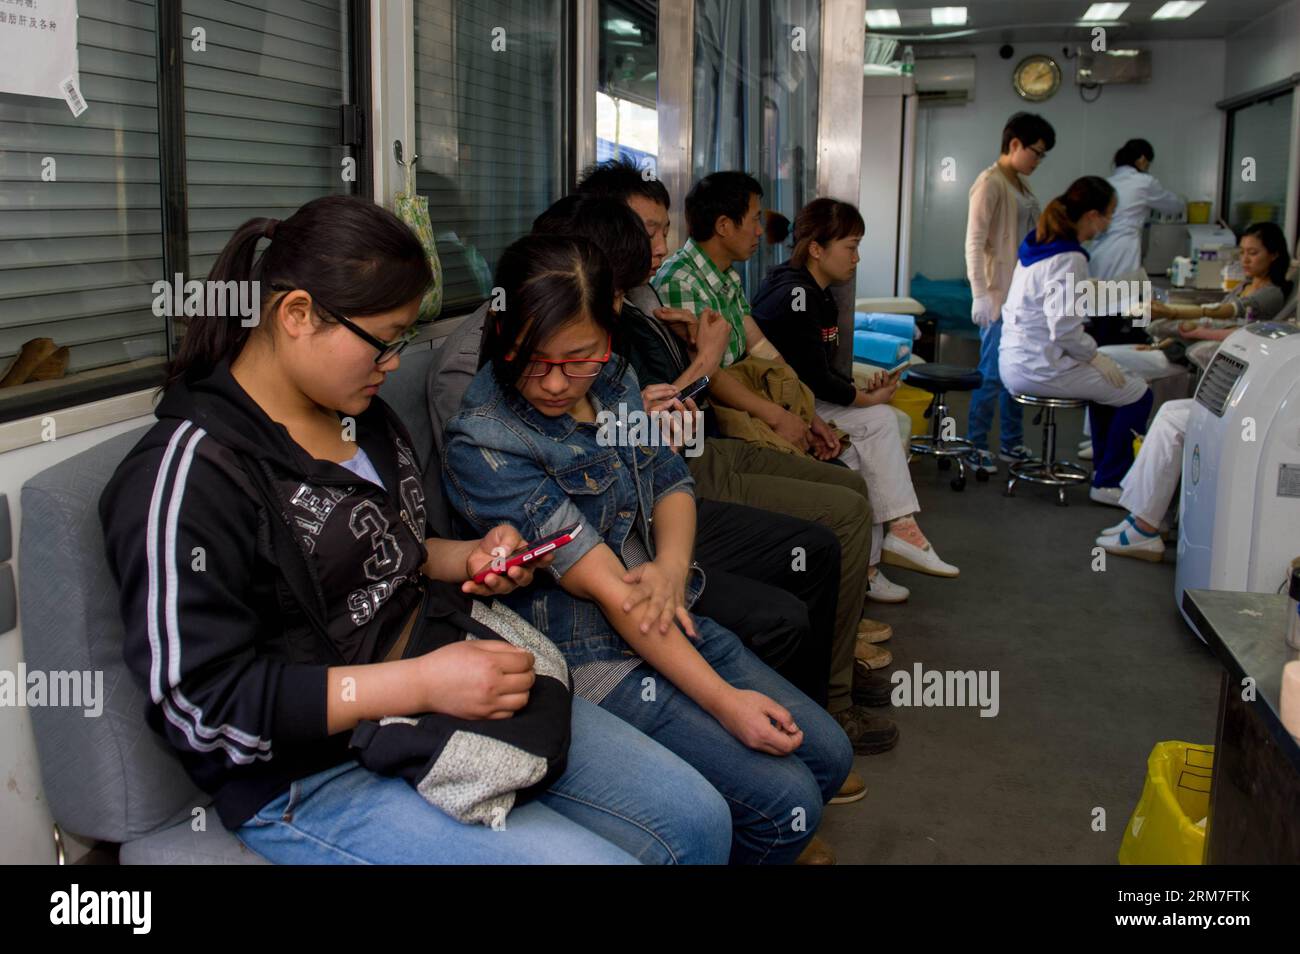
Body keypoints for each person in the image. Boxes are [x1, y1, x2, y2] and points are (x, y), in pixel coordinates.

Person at [100, 196, 732, 865]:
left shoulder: (359, 415)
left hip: (435, 676)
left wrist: (470, 558)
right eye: (385, 340)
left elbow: (396, 552)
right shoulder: (190, 475)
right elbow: (202, 708)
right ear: (296, 316)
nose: (394, 363)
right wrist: (420, 685)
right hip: (314, 769)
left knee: (696, 822)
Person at [442, 233, 854, 865]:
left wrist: (668, 566)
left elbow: (668, 477)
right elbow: (608, 587)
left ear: (607, 336)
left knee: (829, 756)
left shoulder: (610, 378)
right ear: (502, 338)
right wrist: (725, 702)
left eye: (575, 357)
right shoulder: (486, 440)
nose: (554, 383)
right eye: (531, 359)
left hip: (665, 612)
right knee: (784, 798)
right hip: (592, 658)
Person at [575, 159, 905, 758]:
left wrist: (800, 413)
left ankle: (835, 666)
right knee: (832, 528)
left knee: (848, 493)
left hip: (690, 458)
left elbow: (741, 361)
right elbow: (663, 425)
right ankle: (826, 708)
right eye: (646, 231)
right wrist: (705, 359)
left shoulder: (639, 300)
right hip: (685, 465)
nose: (659, 245)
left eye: (662, 230)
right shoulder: (609, 315)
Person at [752, 197, 958, 583]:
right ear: (816, 249)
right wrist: (867, 398)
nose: (856, 258)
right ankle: (898, 535)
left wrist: (861, 387)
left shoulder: (819, 292)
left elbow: (819, 371)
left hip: (805, 401)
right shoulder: (795, 297)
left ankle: (871, 564)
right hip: (779, 409)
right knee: (879, 420)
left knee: (871, 448)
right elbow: (812, 378)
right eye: (850, 247)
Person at [1096, 223, 1294, 561]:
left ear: (1274, 255)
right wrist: (1173, 332)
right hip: (1226, 375)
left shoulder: (1270, 296)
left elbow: (1226, 320)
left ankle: (1143, 525)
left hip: (1251, 397)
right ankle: (1143, 521)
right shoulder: (1246, 286)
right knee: (1170, 414)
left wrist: (1183, 320)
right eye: (1242, 252)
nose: (1246, 259)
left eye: (1254, 252)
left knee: (1171, 419)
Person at [998, 175, 1155, 503]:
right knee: (1138, 393)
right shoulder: (1071, 257)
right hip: (1042, 366)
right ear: (1093, 216)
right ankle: (1108, 482)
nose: (1110, 222)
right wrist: (1094, 355)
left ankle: (1105, 469)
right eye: (1110, 214)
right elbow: (1065, 330)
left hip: (1018, 360)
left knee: (1109, 388)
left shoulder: (1040, 243)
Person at [964, 112, 1056, 475]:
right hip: (997, 295)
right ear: (1014, 144)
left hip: (1021, 297)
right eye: (1036, 151)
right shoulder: (990, 183)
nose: (1038, 159)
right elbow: (973, 243)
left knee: (1014, 373)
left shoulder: (1019, 183)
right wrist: (979, 293)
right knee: (990, 373)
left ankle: (1010, 442)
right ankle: (974, 443)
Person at [1088, 139, 1184, 281]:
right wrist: (1184, 201)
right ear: (1142, 159)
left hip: (1098, 249)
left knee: (1098, 296)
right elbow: (1174, 206)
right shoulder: (1144, 182)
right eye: (1148, 163)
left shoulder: (1107, 182)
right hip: (1124, 249)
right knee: (1120, 298)